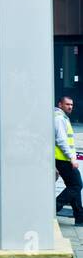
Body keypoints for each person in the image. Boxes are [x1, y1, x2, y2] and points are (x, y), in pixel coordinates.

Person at [56, 96, 83, 225]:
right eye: (67, 104)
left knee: (74, 186)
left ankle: (79, 217)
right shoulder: (59, 119)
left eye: (71, 104)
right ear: (60, 104)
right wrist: (72, 158)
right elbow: (61, 141)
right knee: (76, 185)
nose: (70, 107)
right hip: (63, 159)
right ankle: (53, 208)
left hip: (64, 159)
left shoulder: (63, 118)